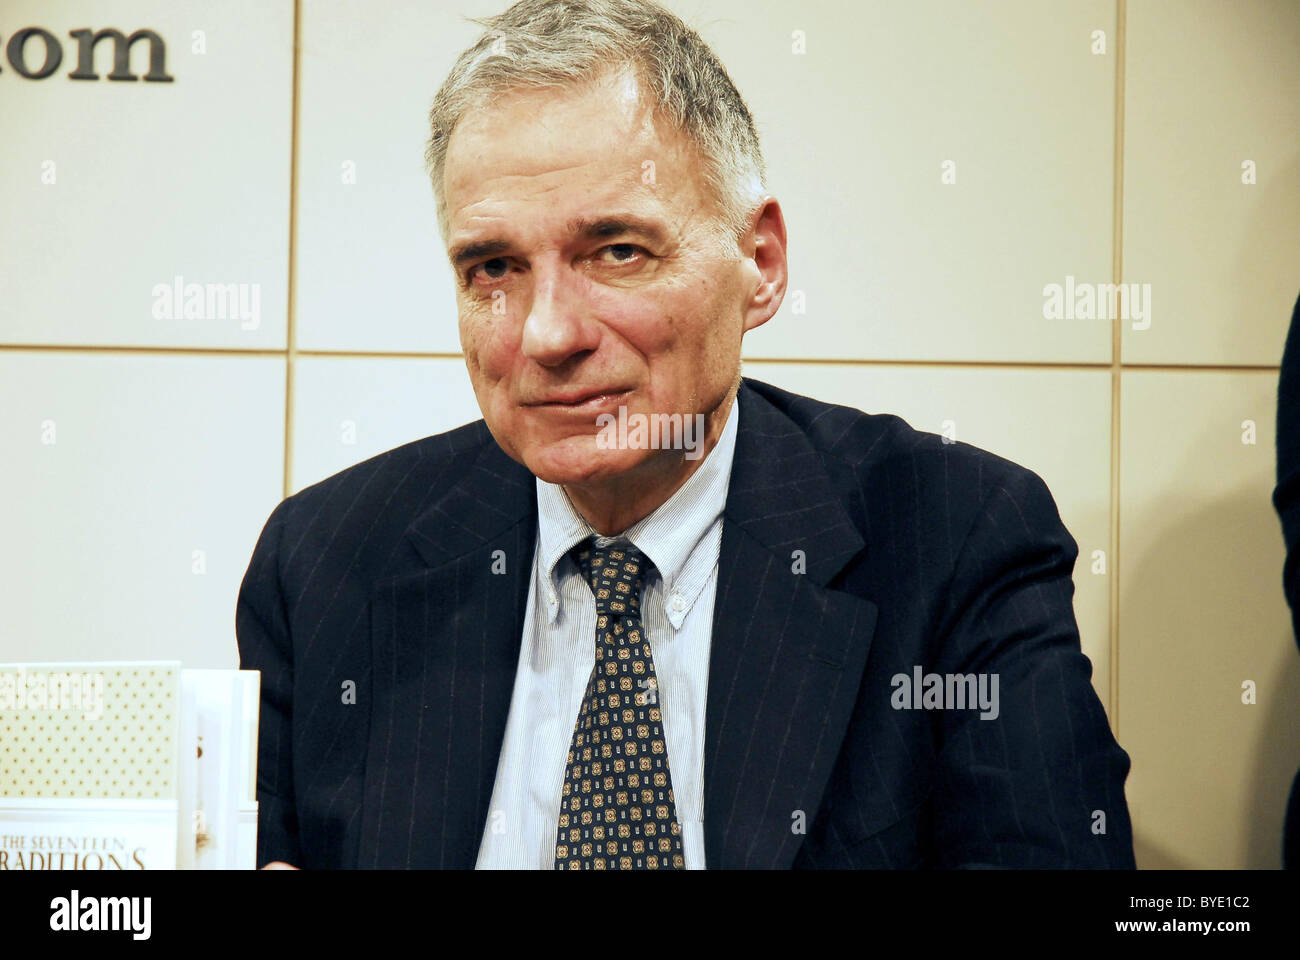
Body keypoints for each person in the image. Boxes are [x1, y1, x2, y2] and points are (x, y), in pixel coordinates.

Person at [237, 0, 1135, 869]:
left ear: (761, 266)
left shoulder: (951, 539)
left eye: (617, 251)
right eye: (494, 268)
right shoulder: (324, 568)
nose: (549, 335)